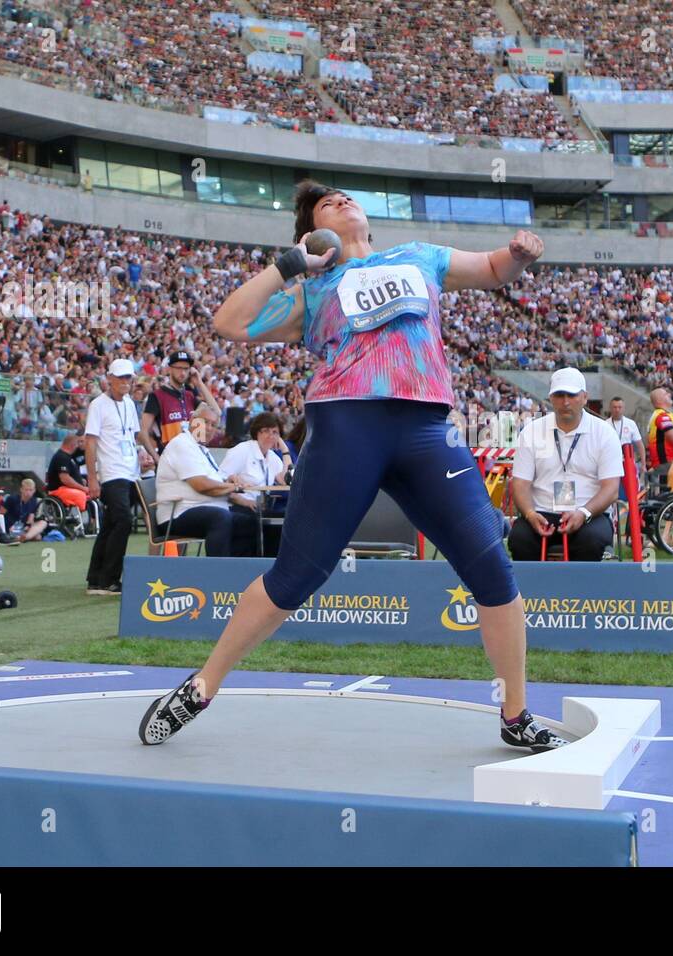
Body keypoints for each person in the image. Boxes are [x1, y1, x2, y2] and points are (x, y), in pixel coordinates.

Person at [139, 179, 566, 753]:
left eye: (345, 196)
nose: (340, 200)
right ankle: (200, 687)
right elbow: (230, 323)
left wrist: (517, 255)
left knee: (491, 562)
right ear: (313, 232)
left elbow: (492, 269)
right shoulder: (312, 289)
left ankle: (515, 714)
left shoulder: (419, 257)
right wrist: (292, 264)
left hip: (427, 428)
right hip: (345, 429)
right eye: (324, 204)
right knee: (296, 577)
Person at [508, 367, 622, 562]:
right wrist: (529, 514)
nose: (566, 402)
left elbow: (611, 489)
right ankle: (531, 592)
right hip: (542, 512)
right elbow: (520, 483)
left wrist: (583, 513)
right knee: (519, 539)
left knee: (591, 540)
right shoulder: (531, 431)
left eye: (572, 395)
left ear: (585, 397)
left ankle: (581, 592)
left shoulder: (604, 433)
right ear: (551, 398)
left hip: (589, 514)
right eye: (559, 395)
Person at [155, 415, 258, 557]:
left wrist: (230, 483)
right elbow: (201, 485)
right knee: (220, 518)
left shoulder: (201, 449)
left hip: (204, 509)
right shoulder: (182, 444)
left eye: (213, 424)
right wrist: (233, 487)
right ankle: (216, 573)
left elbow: (216, 483)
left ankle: (239, 572)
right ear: (192, 422)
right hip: (178, 513)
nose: (209, 428)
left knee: (250, 522)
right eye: (205, 422)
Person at [83, 359, 141, 595]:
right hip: (111, 472)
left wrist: (144, 456)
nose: (125, 382)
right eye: (121, 377)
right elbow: (90, 441)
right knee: (124, 521)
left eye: (128, 377)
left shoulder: (129, 403)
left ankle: (96, 578)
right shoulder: (98, 405)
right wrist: (93, 478)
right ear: (110, 378)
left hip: (130, 471)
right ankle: (109, 578)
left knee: (111, 524)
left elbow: (133, 437)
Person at [219, 411, 289, 555]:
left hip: (260, 508)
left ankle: (271, 565)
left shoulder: (271, 456)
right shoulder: (243, 450)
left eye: (275, 432)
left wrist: (285, 450)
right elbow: (220, 481)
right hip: (237, 505)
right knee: (254, 522)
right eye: (266, 431)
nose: (270, 436)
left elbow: (286, 478)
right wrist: (244, 501)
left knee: (285, 520)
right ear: (257, 432)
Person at [139, 350, 222, 458]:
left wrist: (199, 383)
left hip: (192, 458)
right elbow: (143, 432)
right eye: (178, 368)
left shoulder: (189, 396)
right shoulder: (157, 396)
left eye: (186, 369)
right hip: (170, 460)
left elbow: (216, 412)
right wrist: (157, 459)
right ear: (170, 369)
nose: (182, 372)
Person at [45, 433, 90, 522]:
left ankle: (93, 521)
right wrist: (82, 488)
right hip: (59, 490)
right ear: (72, 445)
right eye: (78, 443)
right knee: (81, 495)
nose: (78, 446)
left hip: (67, 489)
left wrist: (81, 481)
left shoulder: (68, 457)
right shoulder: (61, 457)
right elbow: (65, 479)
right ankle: (84, 521)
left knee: (93, 493)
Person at [1, 478, 48, 543]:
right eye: (26, 490)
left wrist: (27, 527)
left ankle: (25, 537)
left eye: (30, 490)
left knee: (43, 523)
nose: (28, 492)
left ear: (34, 490)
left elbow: (30, 520)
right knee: (37, 536)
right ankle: (22, 537)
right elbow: (0, 515)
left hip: (23, 527)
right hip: (11, 527)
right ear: (21, 489)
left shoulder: (34, 501)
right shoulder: (11, 499)